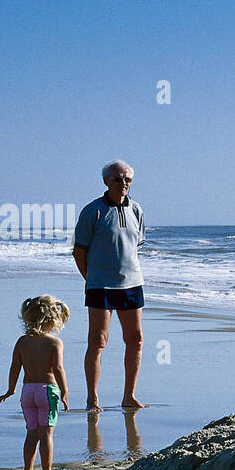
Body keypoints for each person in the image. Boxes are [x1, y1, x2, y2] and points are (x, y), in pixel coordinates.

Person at [73, 159, 147, 412]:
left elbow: (135, 246)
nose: (124, 183)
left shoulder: (136, 209)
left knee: (135, 340)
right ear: (107, 181)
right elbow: (78, 251)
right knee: (98, 342)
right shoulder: (92, 211)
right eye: (118, 179)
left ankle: (129, 395)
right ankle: (92, 399)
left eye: (127, 179)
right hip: (100, 287)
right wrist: (91, 279)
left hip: (132, 284)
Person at [0, 295, 71, 470]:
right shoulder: (54, 343)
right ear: (53, 319)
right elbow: (58, 368)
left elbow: (15, 366)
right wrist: (64, 391)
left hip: (27, 391)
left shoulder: (22, 341)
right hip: (47, 390)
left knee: (31, 433)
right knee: (46, 433)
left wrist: (10, 389)